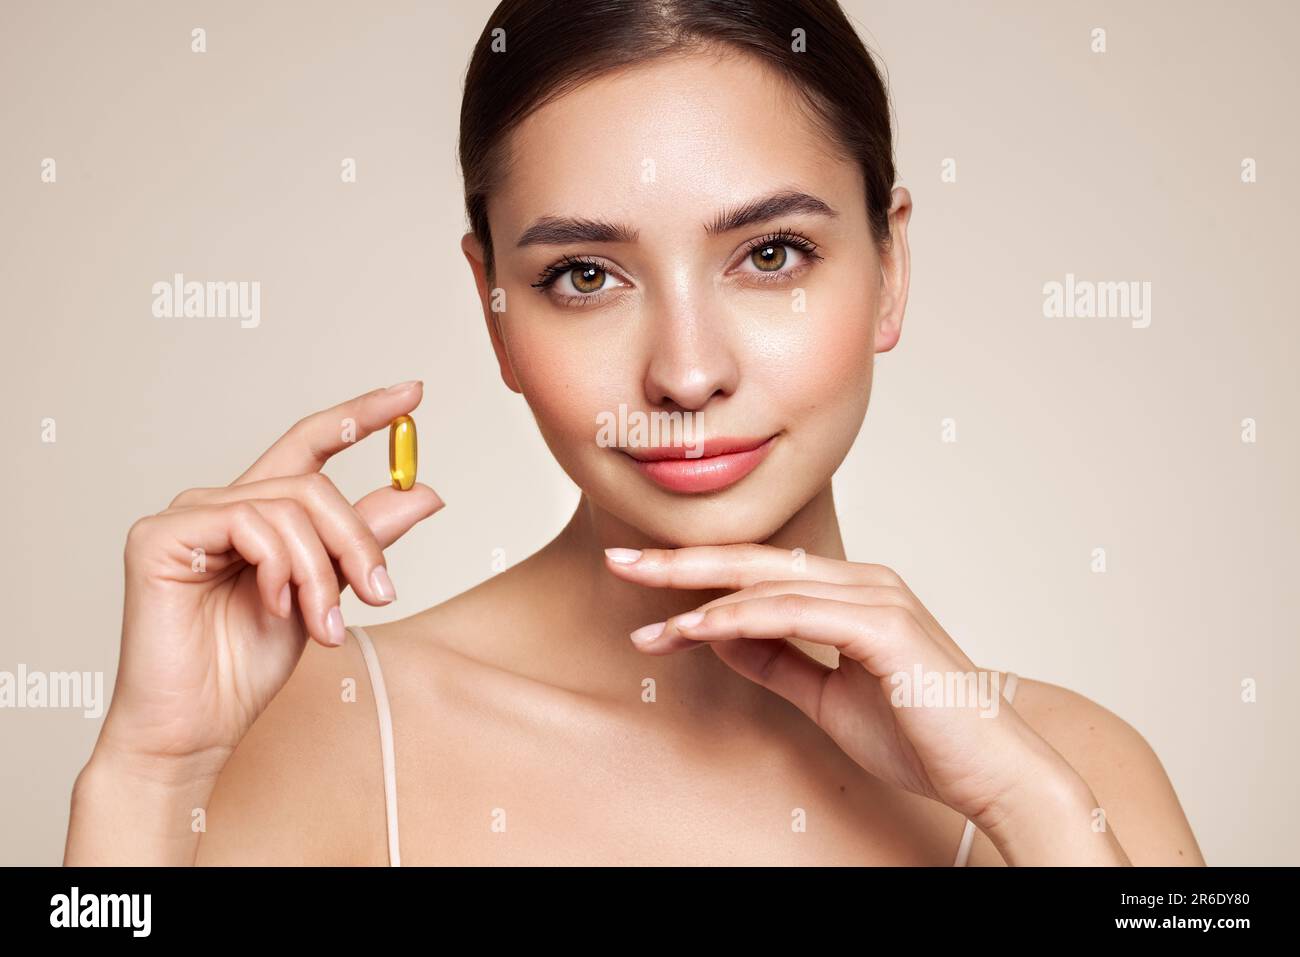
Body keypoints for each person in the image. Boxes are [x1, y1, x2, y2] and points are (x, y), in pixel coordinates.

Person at [64, 0, 1205, 866]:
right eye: (584, 275)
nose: (687, 370)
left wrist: (1035, 814)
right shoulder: (320, 736)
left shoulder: (1077, 767)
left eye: (770, 256)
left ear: (889, 267)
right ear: (494, 310)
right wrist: (148, 782)